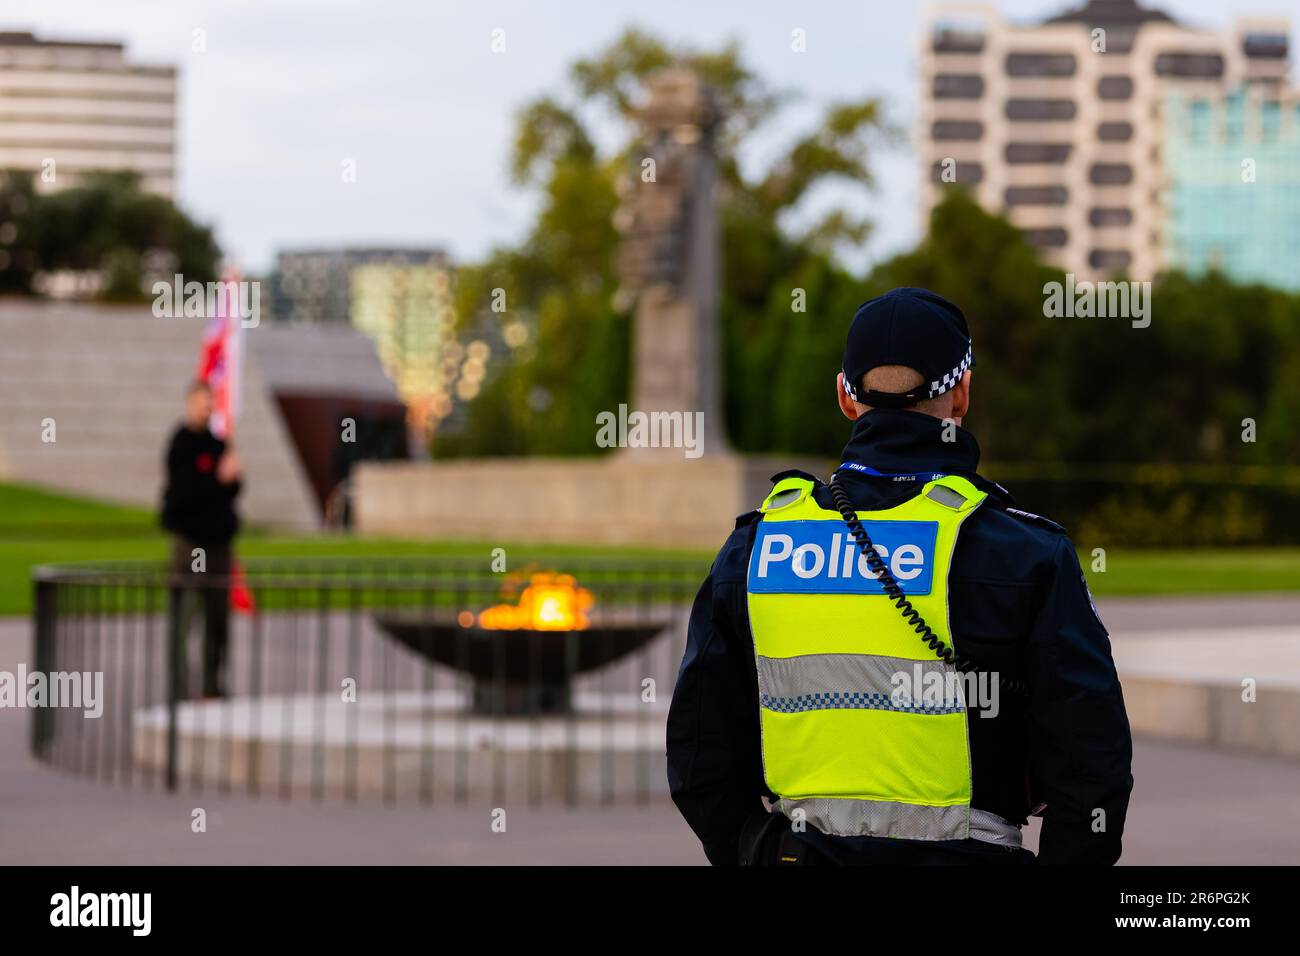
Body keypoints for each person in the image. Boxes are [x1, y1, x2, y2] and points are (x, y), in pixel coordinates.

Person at [666, 287, 1133, 866]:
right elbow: (1094, 771)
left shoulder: (756, 547)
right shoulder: (1027, 552)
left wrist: (760, 853)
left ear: (845, 396)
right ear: (961, 394)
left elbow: (698, 757)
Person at [161, 380, 242, 698]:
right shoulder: (181, 445)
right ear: (189, 405)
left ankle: (212, 685)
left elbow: (231, 492)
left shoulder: (219, 444)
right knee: (183, 620)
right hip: (190, 543)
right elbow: (185, 493)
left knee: (217, 621)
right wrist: (217, 479)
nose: (206, 410)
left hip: (219, 544)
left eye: (210, 404)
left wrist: (232, 477)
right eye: (201, 404)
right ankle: (179, 688)